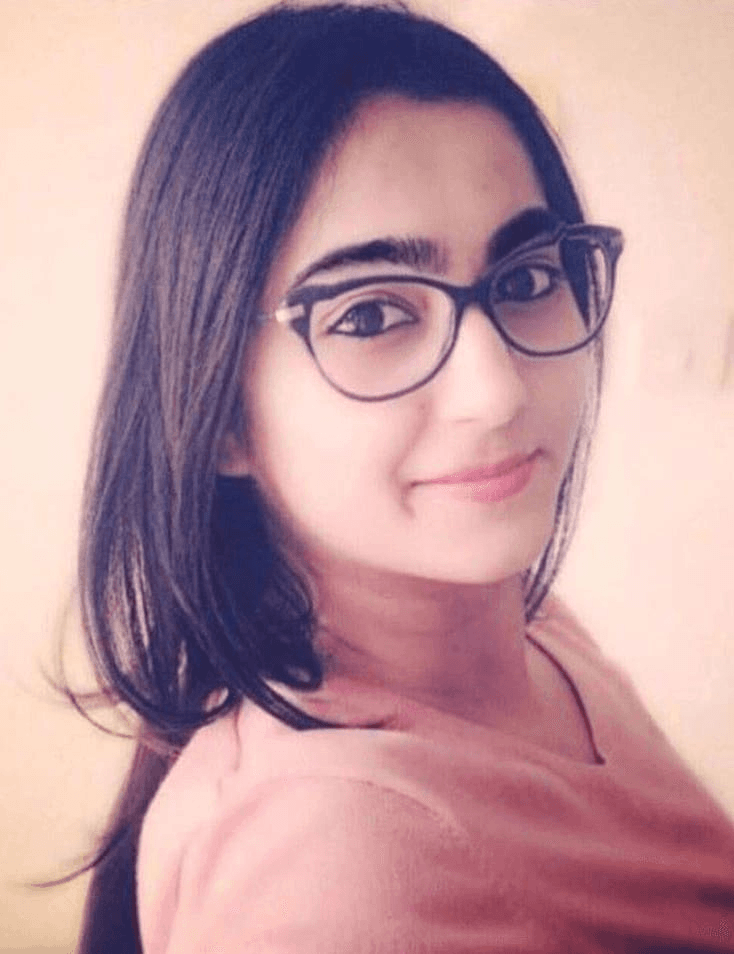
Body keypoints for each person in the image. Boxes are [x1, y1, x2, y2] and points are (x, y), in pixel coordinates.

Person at [73, 3, 734, 952]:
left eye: (526, 279)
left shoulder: (525, 625)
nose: (498, 391)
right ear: (218, 413)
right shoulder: (337, 865)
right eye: (371, 315)